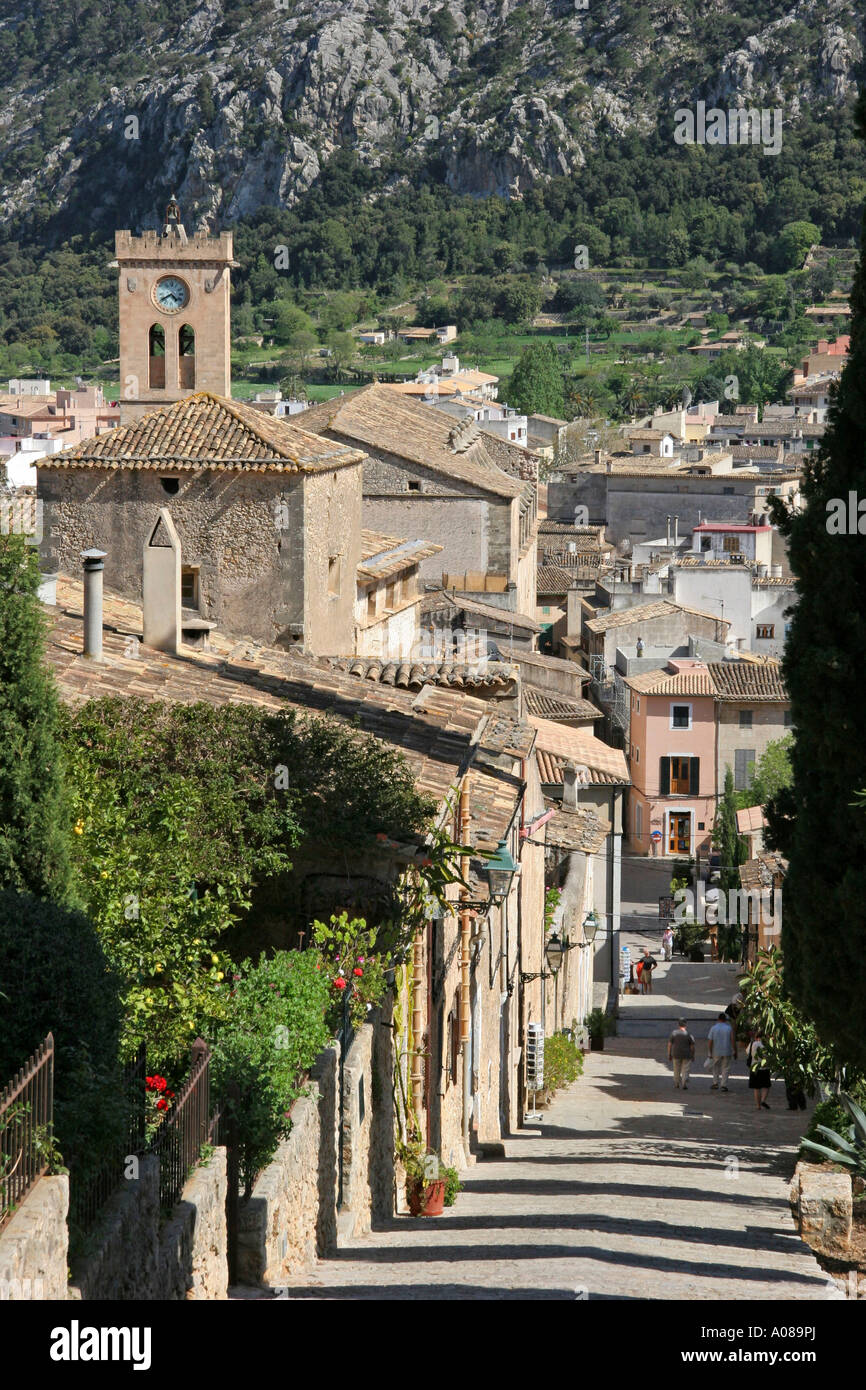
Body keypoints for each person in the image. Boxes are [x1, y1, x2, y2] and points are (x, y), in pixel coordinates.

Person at [707, 1012, 737, 1091]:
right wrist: (734, 1051)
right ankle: (724, 1085)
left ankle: (715, 1083)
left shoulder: (713, 1028)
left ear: (718, 1019)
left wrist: (709, 1052)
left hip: (716, 1051)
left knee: (715, 1067)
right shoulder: (729, 1028)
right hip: (727, 1051)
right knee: (726, 1068)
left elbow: (710, 1041)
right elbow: (733, 1040)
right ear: (725, 1020)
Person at [746, 1030, 772, 1110]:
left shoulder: (753, 1044)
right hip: (765, 1067)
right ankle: (763, 1100)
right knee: (766, 1086)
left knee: (756, 1088)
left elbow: (747, 1052)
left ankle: (758, 1106)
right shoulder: (767, 1045)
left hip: (754, 1067)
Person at [668, 1019, 695, 1089]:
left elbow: (669, 1044)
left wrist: (669, 1054)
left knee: (676, 1069)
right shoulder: (689, 1034)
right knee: (685, 1069)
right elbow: (692, 1046)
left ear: (678, 1024)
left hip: (676, 1054)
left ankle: (676, 1084)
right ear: (685, 1024)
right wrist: (693, 1055)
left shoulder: (674, 1033)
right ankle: (684, 1084)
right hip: (686, 1055)